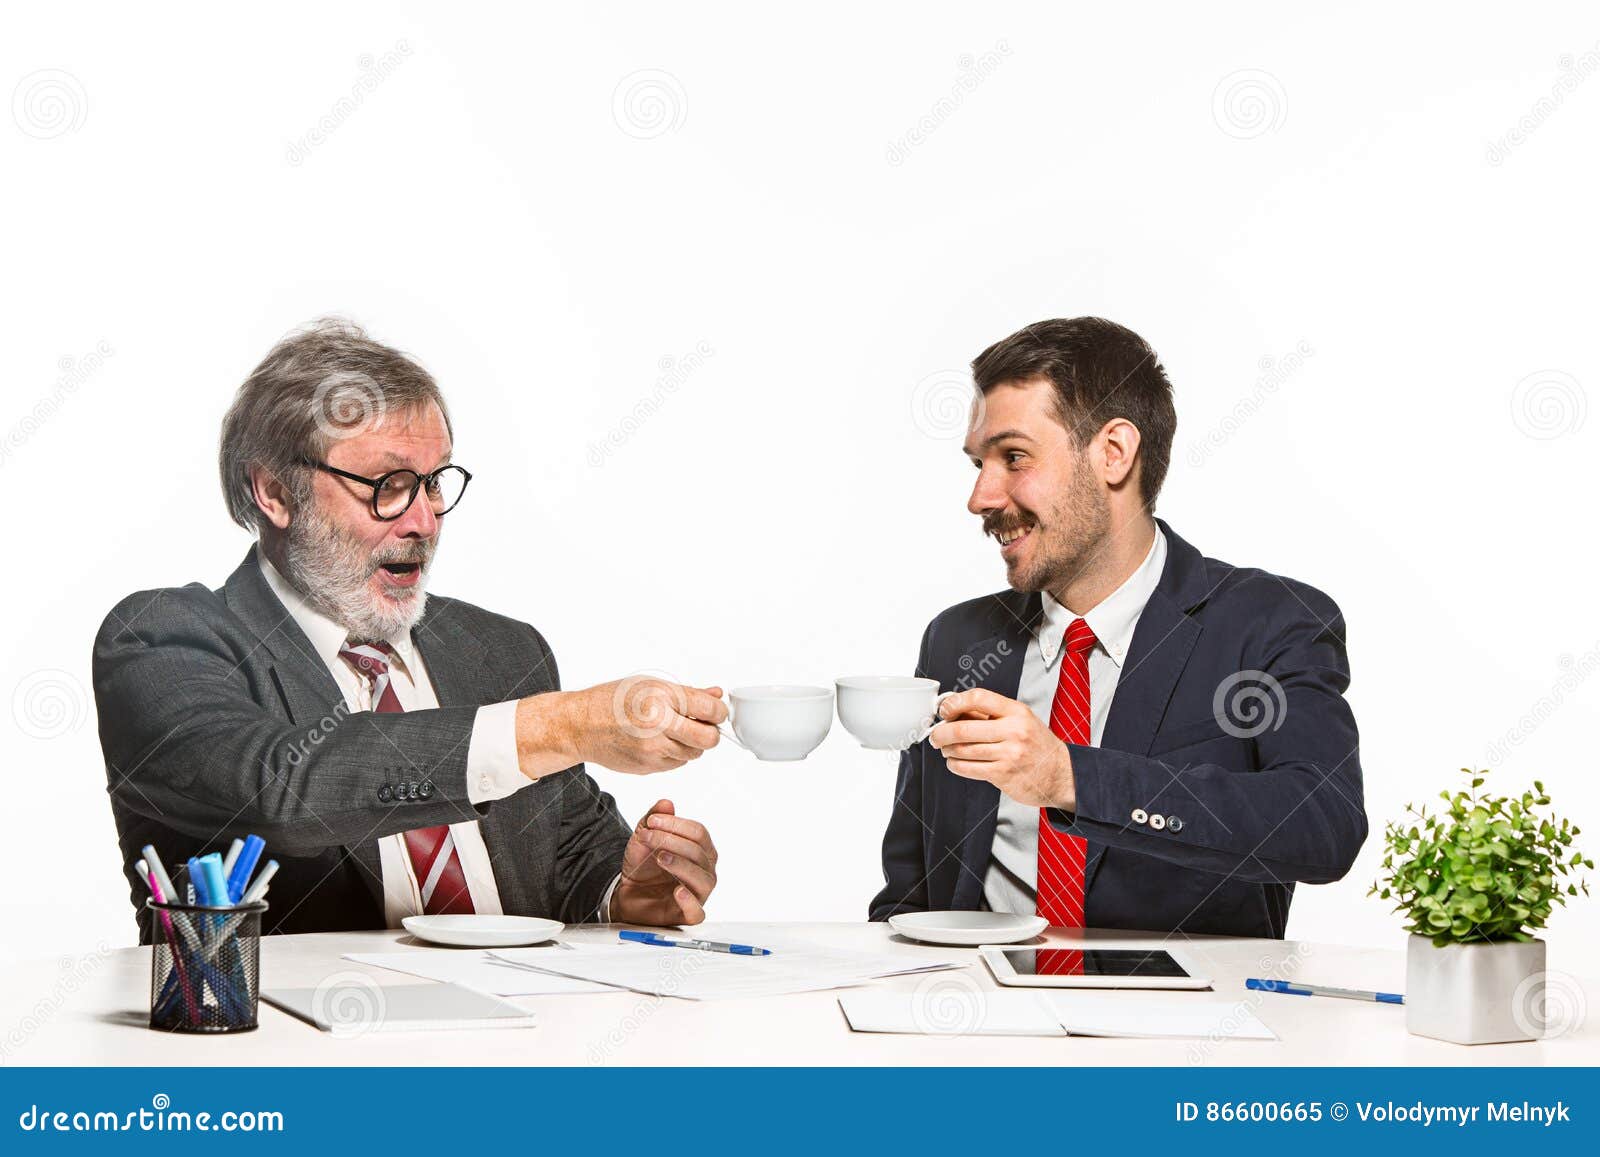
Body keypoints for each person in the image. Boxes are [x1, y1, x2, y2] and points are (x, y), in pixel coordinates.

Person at [95, 319, 726, 940]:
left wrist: (627, 894)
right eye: (388, 485)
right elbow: (277, 790)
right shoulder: (163, 638)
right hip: (300, 1034)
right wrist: (559, 726)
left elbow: (569, 864)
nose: (424, 519)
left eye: (433, 481)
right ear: (275, 491)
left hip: (529, 1028)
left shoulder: (503, 651)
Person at [871, 318, 1367, 937]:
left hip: (1179, 1019)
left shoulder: (1266, 623)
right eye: (978, 463)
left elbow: (1323, 824)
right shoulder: (959, 640)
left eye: (1014, 457)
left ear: (1114, 452)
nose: (980, 496)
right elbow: (912, 895)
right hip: (976, 1012)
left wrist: (1069, 777)